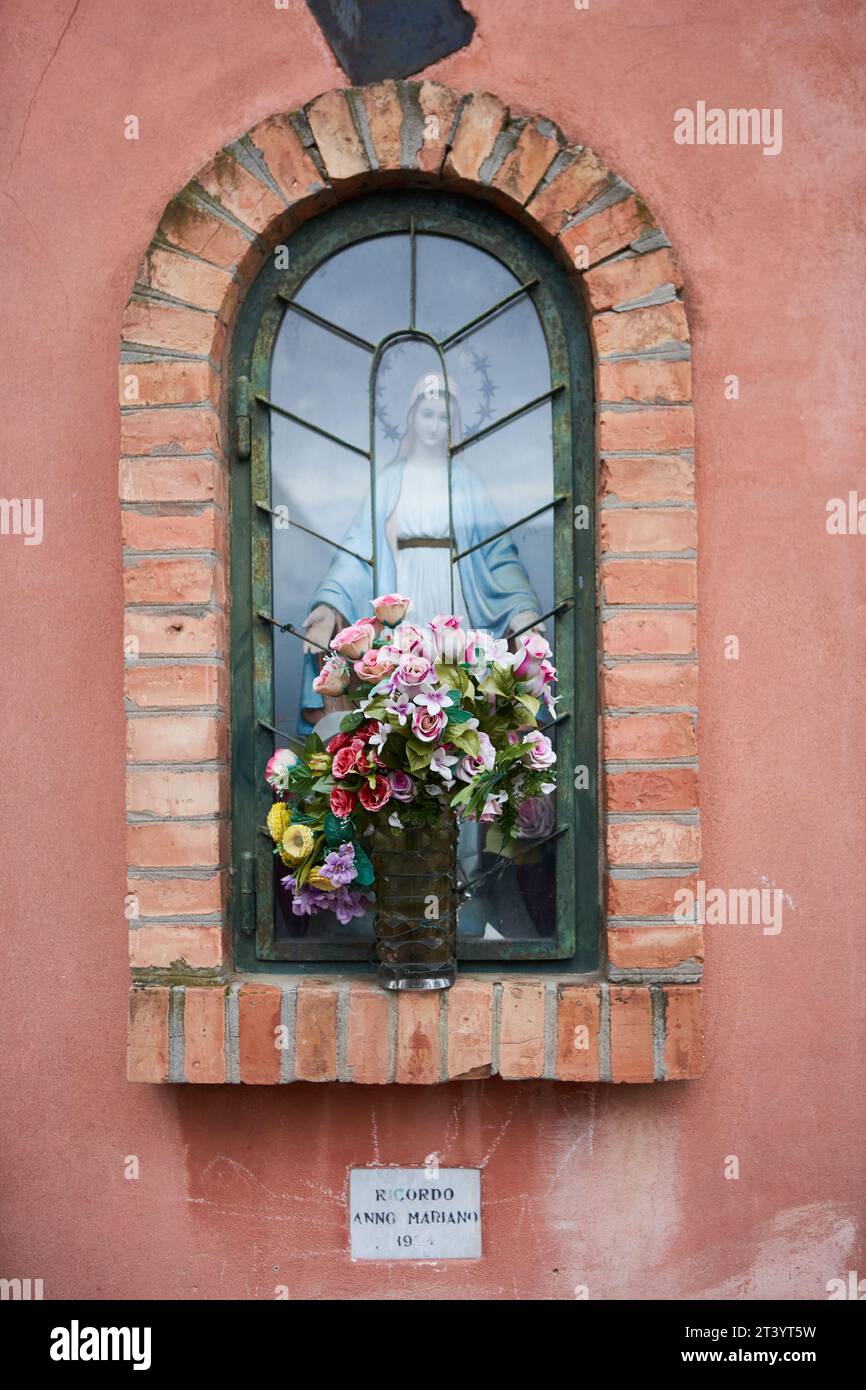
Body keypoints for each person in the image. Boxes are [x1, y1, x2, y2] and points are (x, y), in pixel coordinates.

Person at [299, 372, 543, 732]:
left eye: (444, 417)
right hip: (403, 595)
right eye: (427, 414)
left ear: (454, 424)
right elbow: (356, 552)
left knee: (455, 690)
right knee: (402, 695)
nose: (434, 425)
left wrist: (523, 611)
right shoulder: (388, 481)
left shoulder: (466, 483)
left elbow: (497, 554)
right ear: (411, 418)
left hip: (453, 592)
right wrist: (328, 605)